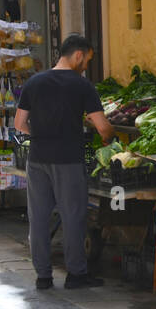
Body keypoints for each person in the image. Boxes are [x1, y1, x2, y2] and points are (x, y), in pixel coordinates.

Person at [14, 34, 115, 290]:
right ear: (78, 55)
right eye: (87, 60)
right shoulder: (82, 86)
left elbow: (19, 124)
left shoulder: (34, 82)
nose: (86, 66)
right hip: (68, 160)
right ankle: (76, 274)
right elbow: (102, 127)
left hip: (37, 159)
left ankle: (43, 277)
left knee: (38, 218)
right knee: (73, 217)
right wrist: (108, 138)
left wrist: (40, 134)